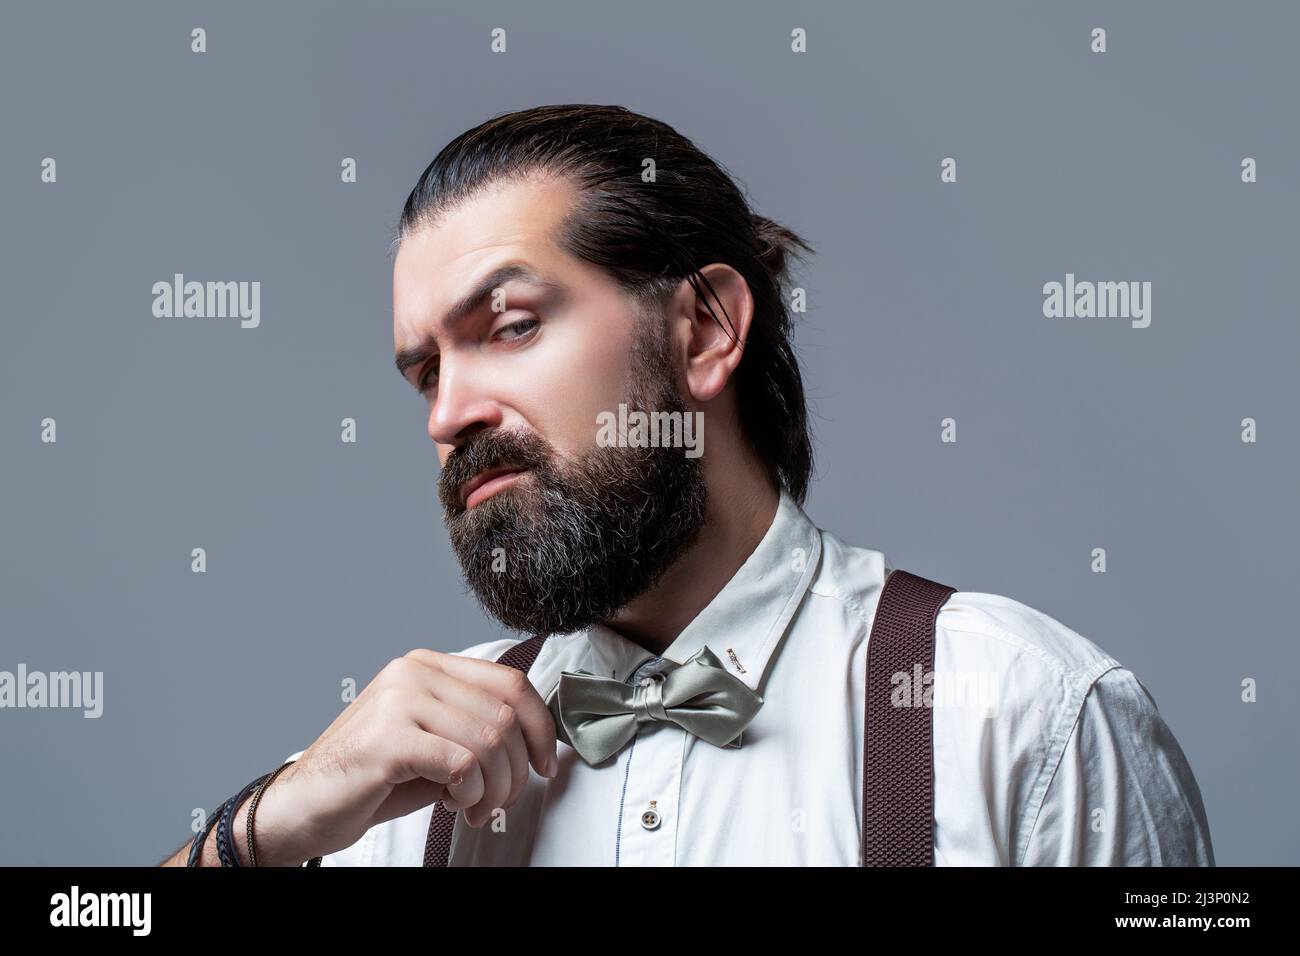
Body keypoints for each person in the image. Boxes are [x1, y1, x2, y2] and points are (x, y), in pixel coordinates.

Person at [161, 104, 1214, 867]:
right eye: (428, 370)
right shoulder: (392, 772)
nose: (449, 414)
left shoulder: (1023, 715)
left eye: (512, 326)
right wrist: (258, 831)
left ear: (704, 329)